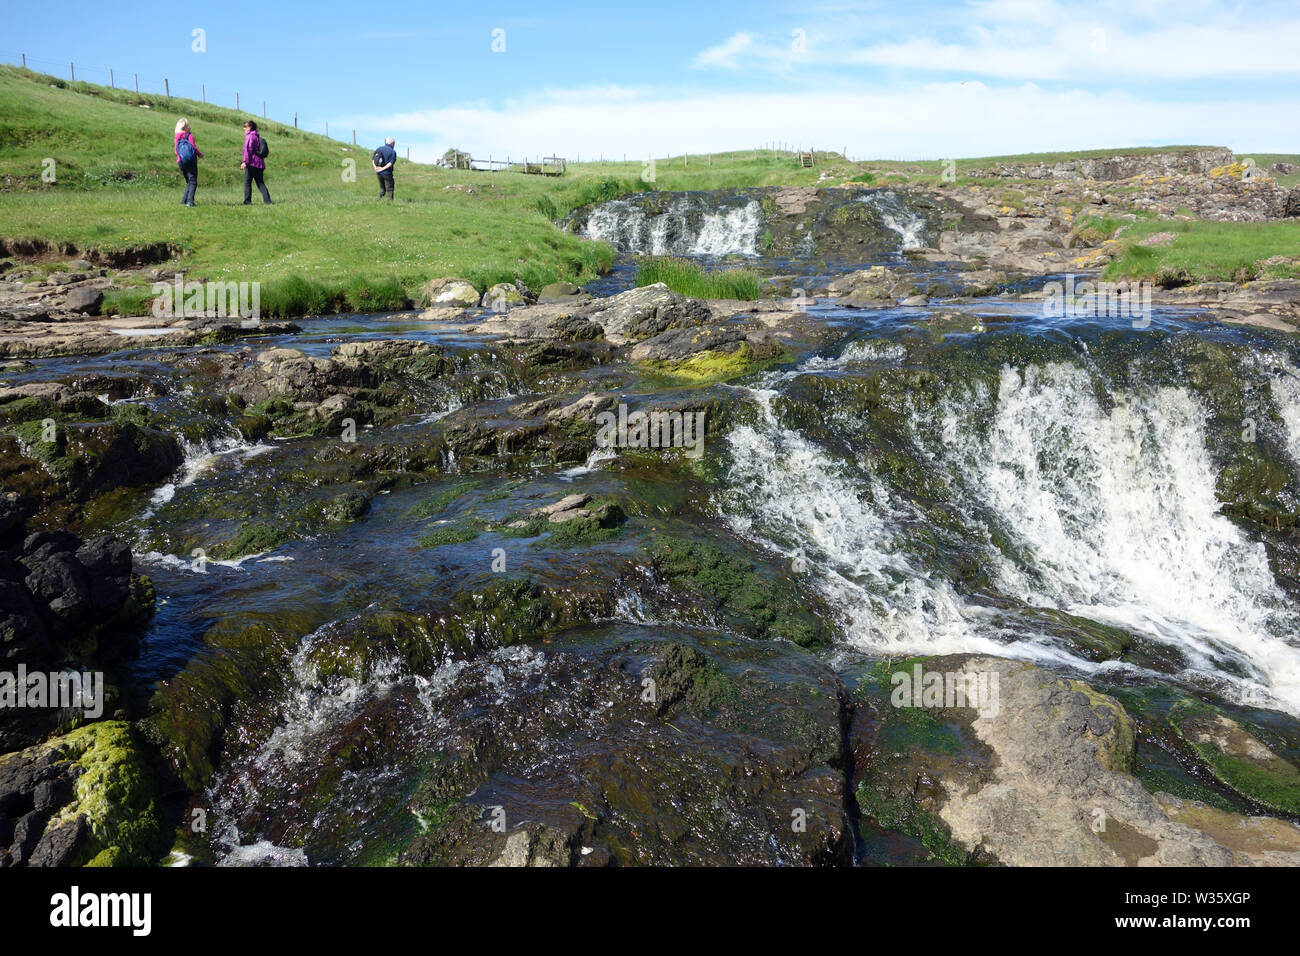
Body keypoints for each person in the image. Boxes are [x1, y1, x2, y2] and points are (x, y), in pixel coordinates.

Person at [241, 120, 272, 205]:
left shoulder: (249, 136)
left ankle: (247, 202)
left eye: (245, 126)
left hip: (251, 163)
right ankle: (268, 201)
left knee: (247, 182)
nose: (244, 128)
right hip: (260, 163)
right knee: (260, 183)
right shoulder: (256, 136)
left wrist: (245, 162)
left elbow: (248, 150)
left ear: (250, 127)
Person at [174, 118, 202, 207]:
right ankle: (190, 202)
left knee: (188, 182)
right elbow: (193, 148)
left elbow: (176, 151)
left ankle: (183, 201)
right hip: (191, 161)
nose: (190, 127)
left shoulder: (177, 137)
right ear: (185, 126)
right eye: (188, 125)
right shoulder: (189, 135)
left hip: (180, 161)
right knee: (193, 181)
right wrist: (200, 155)